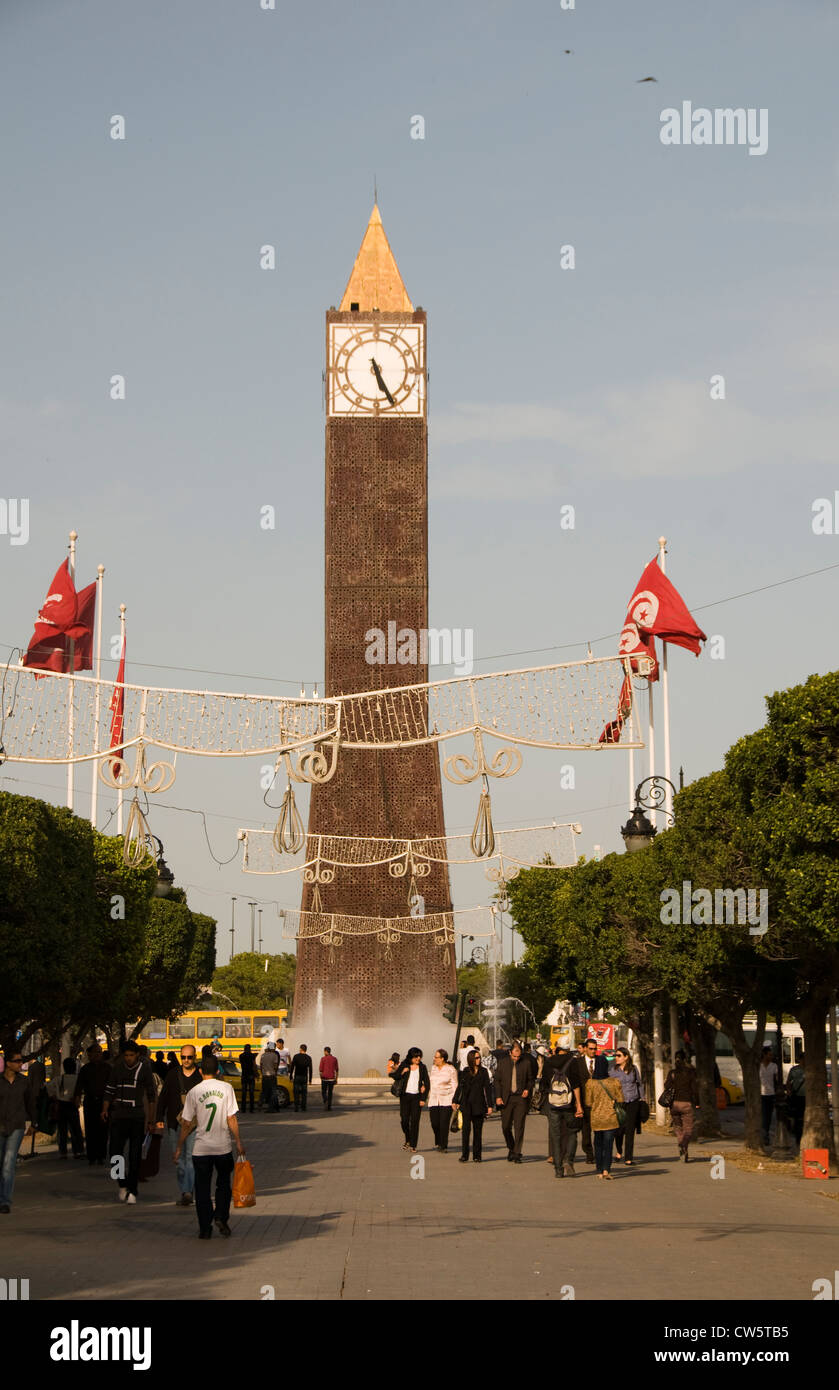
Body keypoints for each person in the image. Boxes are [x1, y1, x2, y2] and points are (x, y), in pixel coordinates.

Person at [175, 1054, 245, 1240]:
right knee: (223, 1184)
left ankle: (205, 1228)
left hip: (201, 1149)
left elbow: (186, 1123)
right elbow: (231, 1117)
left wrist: (180, 1147)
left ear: (200, 1071)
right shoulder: (226, 1088)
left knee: (202, 1188)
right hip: (223, 1147)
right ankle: (221, 1216)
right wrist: (238, 1141)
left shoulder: (194, 1092)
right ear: (218, 1071)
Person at [101, 1040, 157, 1204]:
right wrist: (104, 1109)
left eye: (131, 1055)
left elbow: (152, 1096)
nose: (129, 1058)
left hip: (137, 1116)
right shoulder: (117, 1068)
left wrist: (151, 1120)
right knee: (115, 1153)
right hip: (118, 1116)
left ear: (137, 1055)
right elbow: (109, 1090)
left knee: (134, 1156)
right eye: (126, 1055)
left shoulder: (144, 1069)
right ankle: (122, 1183)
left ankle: (133, 1190)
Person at [156, 1044, 204, 1206]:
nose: (186, 1060)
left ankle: (188, 1191)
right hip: (174, 1122)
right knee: (178, 1159)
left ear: (194, 1057)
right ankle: (185, 1189)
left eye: (189, 1057)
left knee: (190, 1157)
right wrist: (158, 1118)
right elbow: (163, 1097)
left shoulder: (200, 1075)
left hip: (195, 1124)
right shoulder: (172, 1074)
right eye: (183, 1057)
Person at [0, 1050, 37, 1212]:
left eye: (21, 1061)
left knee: (8, 1163)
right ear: (8, 1063)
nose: (20, 1063)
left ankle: (5, 1201)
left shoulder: (24, 1081)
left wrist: (34, 1123)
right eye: (17, 1061)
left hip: (16, 1126)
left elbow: (30, 1103)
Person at [543, 1044, 586, 1178]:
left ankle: (558, 1169)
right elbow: (576, 1085)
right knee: (572, 1132)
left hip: (553, 1104)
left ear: (557, 1049)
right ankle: (568, 1160)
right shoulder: (572, 1061)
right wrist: (579, 1105)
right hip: (569, 1104)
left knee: (556, 1136)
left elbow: (544, 1084)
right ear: (568, 1050)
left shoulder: (548, 1062)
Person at [494, 1040, 535, 1164]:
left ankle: (517, 1153)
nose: (516, 1058)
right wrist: (498, 1096)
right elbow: (497, 1081)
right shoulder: (503, 1063)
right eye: (514, 1056)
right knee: (505, 1126)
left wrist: (527, 1089)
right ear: (510, 1053)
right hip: (506, 1098)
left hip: (520, 1099)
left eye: (518, 1056)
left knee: (519, 1126)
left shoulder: (526, 1063)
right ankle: (511, 1147)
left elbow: (531, 1080)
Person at [453, 1049, 494, 1161]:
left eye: (479, 1057)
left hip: (479, 1105)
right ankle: (464, 1155)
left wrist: (490, 1106)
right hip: (466, 1105)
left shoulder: (483, 1071)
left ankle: (477, 1156)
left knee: (478, 1132)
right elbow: (460, 1087)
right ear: (471, 1059)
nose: (478, 1060)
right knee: (465, 1132)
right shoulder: (465, 1071)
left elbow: (488, 1089)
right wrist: (455, 1101)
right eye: (476, 1058)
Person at [609, 1046, 646, 1166]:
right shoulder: (613, 1071)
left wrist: (642, 1098)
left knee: (630, 1130)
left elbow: (639, 1084)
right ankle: (619, 1150)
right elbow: (609, 1086)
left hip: (633, 1101)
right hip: (619, 1103)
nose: (616, 1058)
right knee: (619, 1130)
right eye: (616, 1055)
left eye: (619, 1055)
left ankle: (628, 1158)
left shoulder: (634, 1069)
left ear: (626, 1057)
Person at [585, 1069, 624, 1179]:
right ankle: (606, 1169)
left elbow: (588, 1102)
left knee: (598, 1144)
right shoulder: (614, 1082)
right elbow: (621, 1099)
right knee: (608, 1145)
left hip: (597, 1118)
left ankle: (599, 1170)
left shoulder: (591, 1083)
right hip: (610, 1118)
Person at [76, 1043, 110, 1166]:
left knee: (103, 1130)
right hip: (90, 1102)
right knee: (90, 1130)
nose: (97, 1055)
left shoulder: (107, 1068)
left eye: (99, 1052)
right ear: (89, 1054)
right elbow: (79, 1086)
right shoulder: (85, 1069)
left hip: (104, 1103)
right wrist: (77, 1098)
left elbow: (112, 1085)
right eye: (95, 1052)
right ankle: (92, 1156)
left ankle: (101, 1155)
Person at [664, 1050, 699, 1162]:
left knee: (678, 1127)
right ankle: (683, 1144)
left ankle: (682, 1147)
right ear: (685, 1059)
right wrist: (697, 1102)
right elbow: (695, 1089)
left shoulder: (672, 1073)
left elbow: (667, 1086)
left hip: (674, 1104)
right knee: (688, 1129)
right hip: (686, 1103)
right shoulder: (690, 1073)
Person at [392, 1047, 430, 1151]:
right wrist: (402, 1072)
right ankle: (408, 1138)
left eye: (420, 1056)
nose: (418, 1058)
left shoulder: (422, 1067)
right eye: (416, 1056)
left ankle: (413, 1145)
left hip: (417, 1097)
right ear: (411, 1057)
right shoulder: (404, 1065)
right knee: (404, 1120)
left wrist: (423, 1099)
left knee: (415, 1122)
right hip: (405, 1097)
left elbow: (427, 1083)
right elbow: (395, 1075)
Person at [579, 1036, 608, 1163]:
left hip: (598, 1101)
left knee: (599, 1129)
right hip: (584, 1100)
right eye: (590, 1049)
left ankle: (599, 1153)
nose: (593, 1051)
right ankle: (589, 1154)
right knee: (586, 1130)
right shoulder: (578, 1062)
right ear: (585, 1049)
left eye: (595, 1049)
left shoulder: (601, 1061)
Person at [51, 1058, 85, 1159]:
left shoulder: (59, 1079)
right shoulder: (78, 1079)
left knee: (62, 1131)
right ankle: (78, 1151)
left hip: (61, 1106)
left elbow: (50, 1090)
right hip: (73, 1105)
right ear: (74, 1067)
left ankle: (63, 1152)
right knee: (76, 1129)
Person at [427, 1048, 459, 1152]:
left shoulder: (451, 1069)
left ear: (442, 1058)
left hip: (447, 1099)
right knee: (435, 1123)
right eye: (434, 1057)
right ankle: (439, 1140)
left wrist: (455, 1101)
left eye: (436, 1057)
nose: (434, 1059)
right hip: (434, 1100)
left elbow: (455, 1085)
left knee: (444, 1123)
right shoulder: (433, 1068)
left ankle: (443, 1145)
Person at [759, 1045, 779, 1148]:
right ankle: (764, 1136)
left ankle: (765, 1135)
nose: (771, 1056)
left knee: (768, 1117)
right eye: (769, 1055)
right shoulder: (759, 1066)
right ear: (764, 1054)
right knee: (763, 1116)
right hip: (761, 1094)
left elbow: (777, 1079)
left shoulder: (774, 1066)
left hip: (770, 1094)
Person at [786, 1054, 805, 1146]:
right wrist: (789, 1091)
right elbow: (788, 1082)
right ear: (800, 1059)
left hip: (807, 1098)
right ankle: (798, 1138)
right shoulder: (794, 1070)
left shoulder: (810, 1069)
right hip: (797, 1097)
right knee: (798, 1118)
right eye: (803, 1059)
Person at [290, 1044, 313, 1111]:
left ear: (300, 1049)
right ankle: (303, 1107)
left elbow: (292, 1067)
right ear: (306, 1049)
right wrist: (310, 1079)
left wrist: (291, 1076)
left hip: (297, 1076)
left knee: (296, 1092)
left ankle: (296, 1107)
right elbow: (310, 1069)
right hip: (304, 1077)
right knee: (304, 1093)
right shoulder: (308, 1058)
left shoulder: (296, 1056)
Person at [259, 1041, 280, 1112]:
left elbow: (261, 1066)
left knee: (264, 1091)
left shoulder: (263, 1055)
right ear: (272, 1047)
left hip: (264, 1076)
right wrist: (275, 1072)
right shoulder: (274, 1055)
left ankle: (260, 1104)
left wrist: (262, 1073)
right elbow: (275, 1066)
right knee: (273, 1092)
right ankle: (271, 1108)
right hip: (272, 1076)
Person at [238, 1045, 256, 1114]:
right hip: (251, 1075)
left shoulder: (241, 1056)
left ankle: (243, 1109)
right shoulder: (252, 1056)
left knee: (244, 1093)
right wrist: (256, 1073)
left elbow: (241, 1064)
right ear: (249, 1049)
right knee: (251, 1093)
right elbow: (254, 1065)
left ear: (244, 1049)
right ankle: (251, 1109)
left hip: (244, 1075)